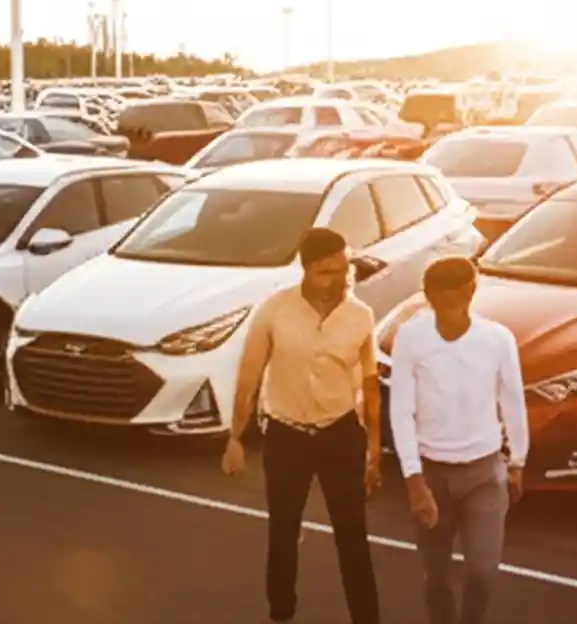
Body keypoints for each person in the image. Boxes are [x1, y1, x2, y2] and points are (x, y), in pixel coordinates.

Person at [222, 227, 381, 624]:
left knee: (352, 536)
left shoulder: (361, 316)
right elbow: (249, 374)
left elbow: (369, 383)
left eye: (345, 269)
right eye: (328, 272)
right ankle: (281, 612)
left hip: (340, 433)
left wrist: (373, 447)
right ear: (307, 270)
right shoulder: (275, 310)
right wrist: (235, 438)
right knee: (283, 531)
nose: (341, 279)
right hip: (286, 434)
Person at [389, 256, 529, 624]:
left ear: (471, 291)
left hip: (484, 474)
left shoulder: (498, 340)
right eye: (441, 297)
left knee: (483, 572)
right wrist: (414, 481)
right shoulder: (411, 337)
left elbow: (512, 399)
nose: (450, 306)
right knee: (436, 576)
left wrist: (517, 460)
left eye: (458, 295)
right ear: (428, 296)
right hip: (432, 473)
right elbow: (401, 409)